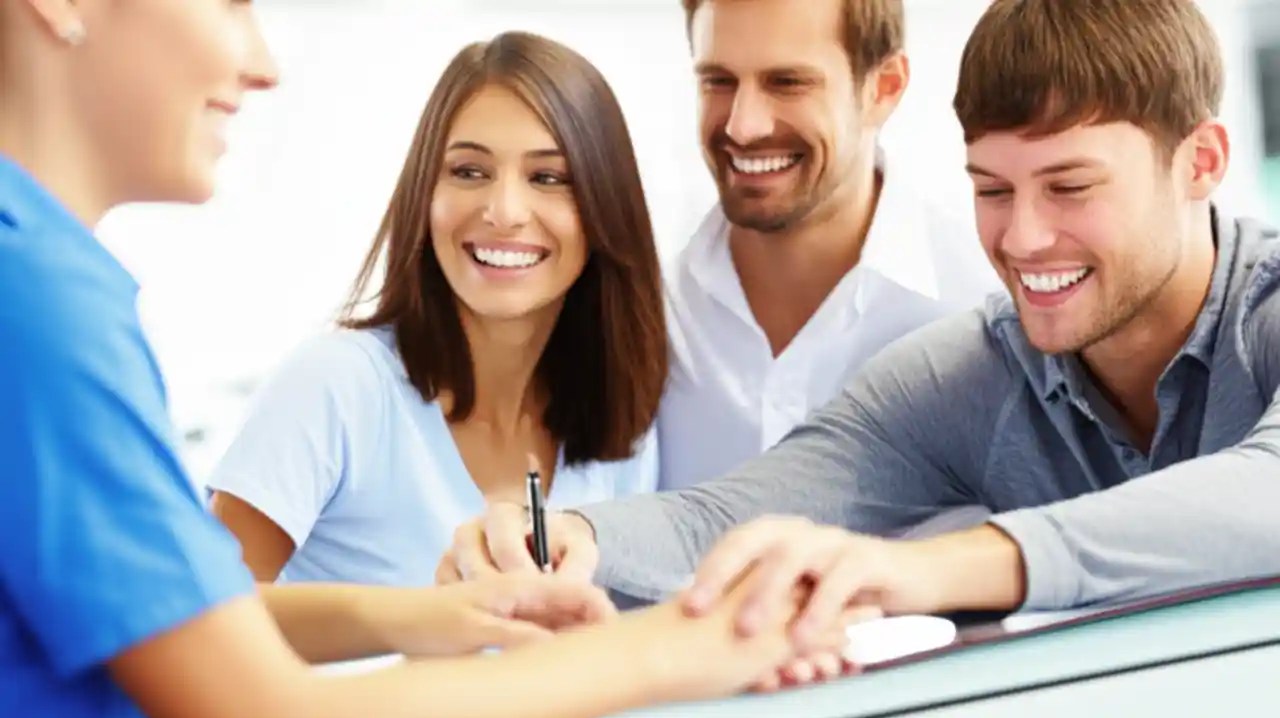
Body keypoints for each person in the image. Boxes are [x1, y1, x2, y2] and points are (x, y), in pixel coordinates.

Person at [0, 2, 846, 717]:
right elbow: (251, 696)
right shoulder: (38, 303)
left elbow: (197, 628)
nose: (264, 64)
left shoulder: (55, 287)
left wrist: (440, 618)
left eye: (550, 179)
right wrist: (674, 649)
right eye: (231, 0)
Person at [445, 0, 1280, 657]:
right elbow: (736, 516)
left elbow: (1260, 494)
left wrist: (923, 570)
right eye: (992, 190)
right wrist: (562, 538)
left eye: (1069, 188)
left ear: (1200, 162)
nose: (1022, 240)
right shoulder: (970, 372)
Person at [206, 31, 666, 588]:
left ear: (605, 207)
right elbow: (197, 618)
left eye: (548, 177)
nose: (504, 211)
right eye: (469, 171)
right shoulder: (337, 386)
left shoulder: (622, 425)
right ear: (425, 191)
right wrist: (435, 622)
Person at [653, 0, 1002, 492]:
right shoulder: (646, 308)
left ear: (884, 88)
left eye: (787, 83)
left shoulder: (981, 320)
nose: (742, 125)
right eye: (719, 81)